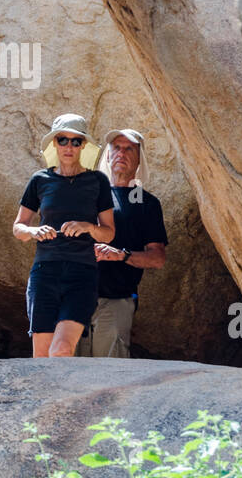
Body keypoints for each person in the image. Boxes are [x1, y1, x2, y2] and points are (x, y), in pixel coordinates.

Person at [13, 114, 114, 358]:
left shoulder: (97, 181)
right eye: (63, 140)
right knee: (42, 355)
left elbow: (109, 233)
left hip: (82, 273)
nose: (69, 147)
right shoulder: (40, 180)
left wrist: (88, 227)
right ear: (54, 144)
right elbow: (19, 227)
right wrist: (34, 231)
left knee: (61, 350)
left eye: (75, 141)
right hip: (45, 272)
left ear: (83, 145)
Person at [76, 128, 168, 359]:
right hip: (74, 295)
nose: (121, 153)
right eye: (116, 147)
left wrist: (121, 255)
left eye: (129, 149)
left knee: (109, 370)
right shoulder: (87, 194)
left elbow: (157, 258)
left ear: (140, 158)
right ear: (107, 155)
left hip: (116, 298)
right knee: (69, 367)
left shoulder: (147, 204)